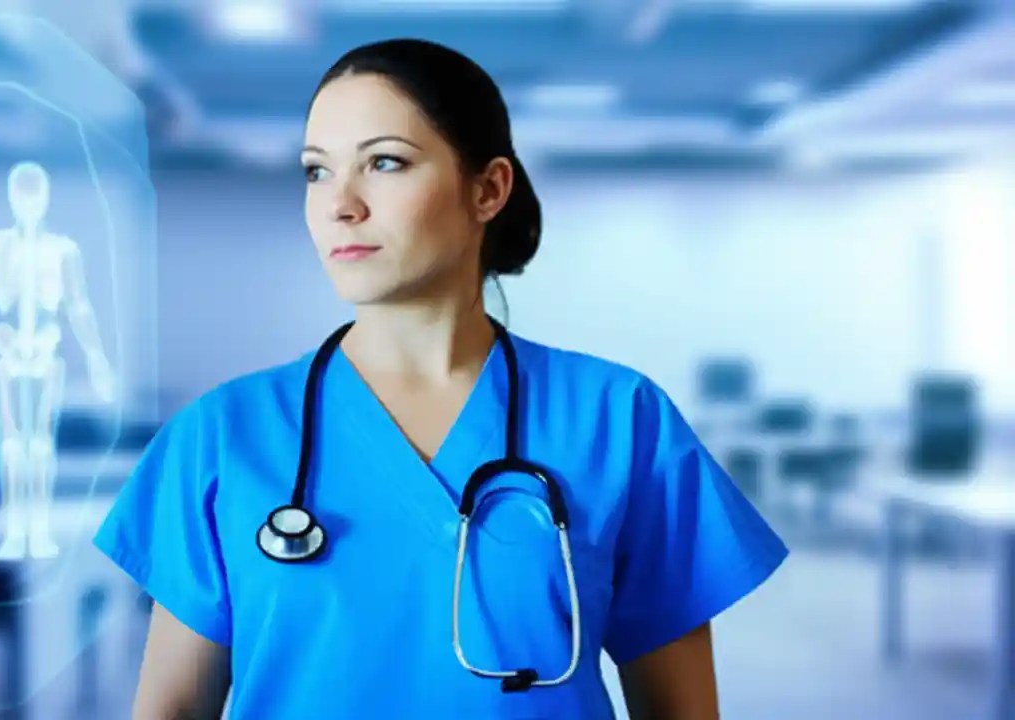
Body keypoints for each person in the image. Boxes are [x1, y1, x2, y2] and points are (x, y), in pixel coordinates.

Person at [94, 37, 788, 719]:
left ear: (488, 189)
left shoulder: (618, 420)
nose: (341, 204)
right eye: (316, 171)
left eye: (385, 163)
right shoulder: (222, 436)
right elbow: (173, 707)